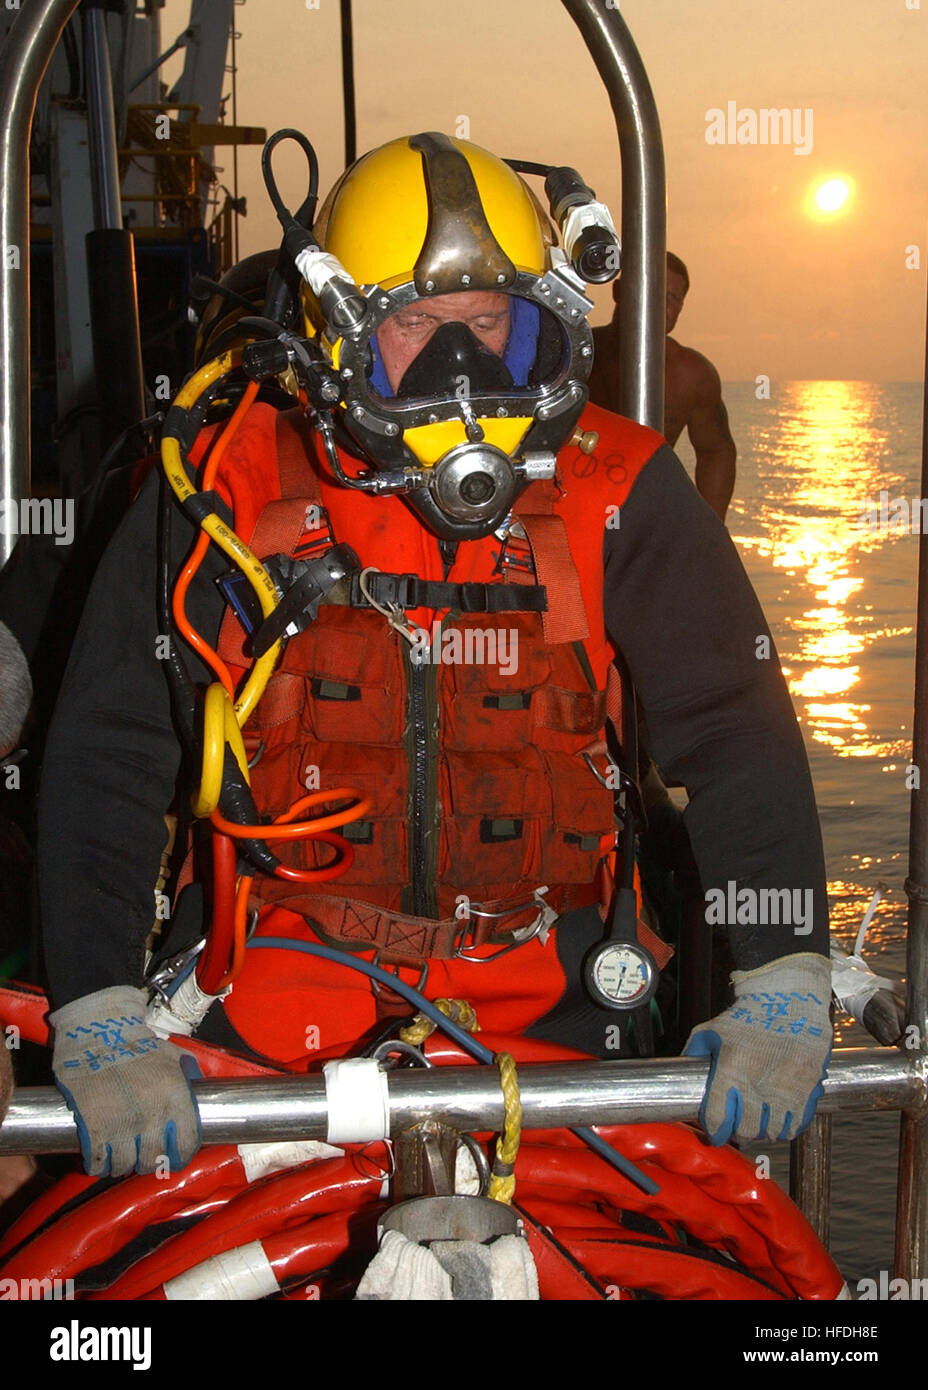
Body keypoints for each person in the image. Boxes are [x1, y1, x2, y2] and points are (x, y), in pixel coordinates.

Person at [37, 133, 830, 1179]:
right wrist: (95, 1000)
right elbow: (113, 742)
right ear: (338, 327)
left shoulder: (616, 487)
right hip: (273, 996)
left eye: (488, 323)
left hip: (551, 998)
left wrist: (785, 971)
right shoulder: (224, 489)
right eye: (414, 323)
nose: (461, 367)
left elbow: (732, 725)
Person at [588, 252, 737, 521]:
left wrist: (711, 527)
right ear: (619, 291)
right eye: (651, 289)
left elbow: (715, 449)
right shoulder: (576, 356)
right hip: (572, 509)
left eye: (673, 297)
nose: (660, 303)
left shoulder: (692, 375)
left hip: (647, 516)